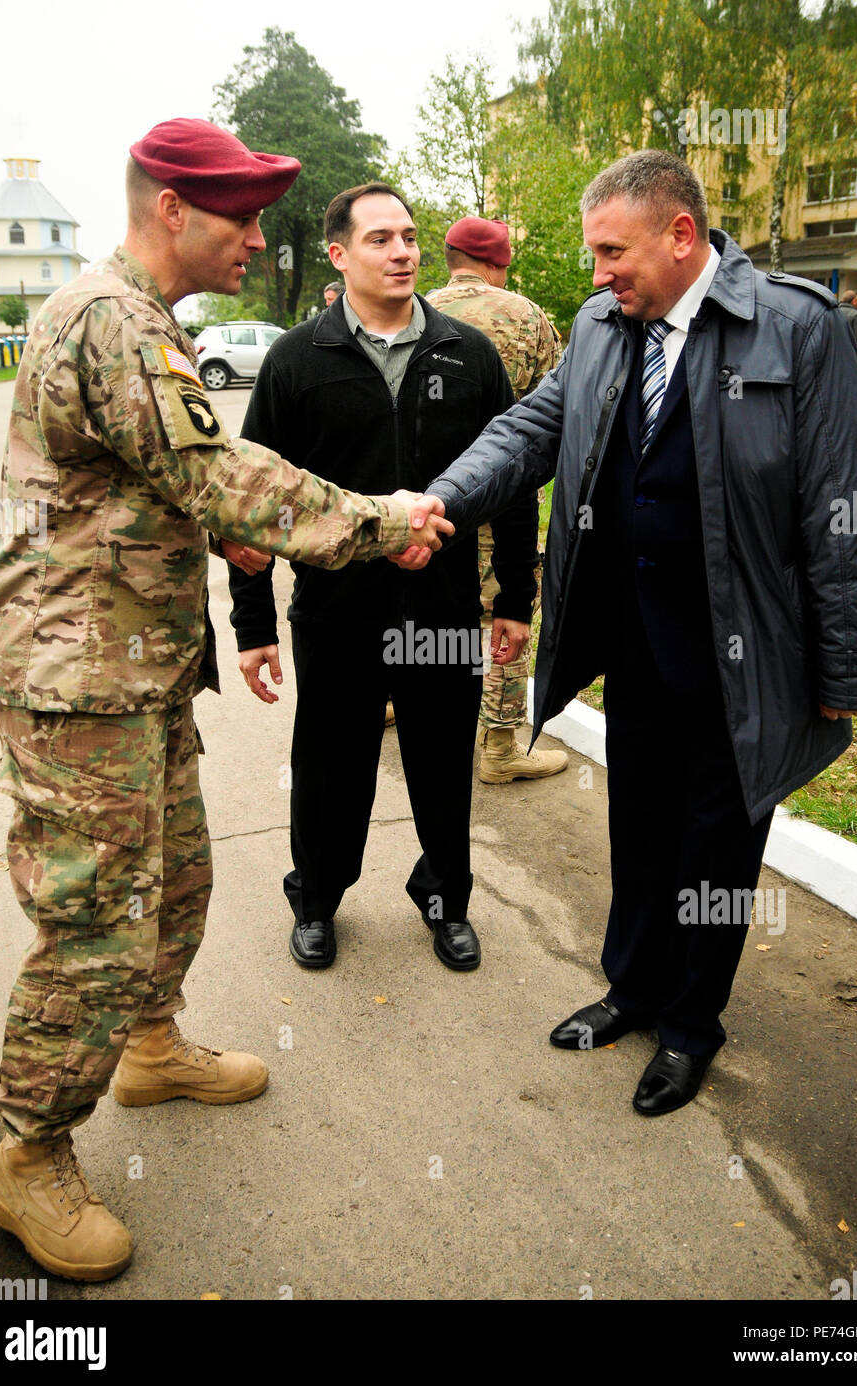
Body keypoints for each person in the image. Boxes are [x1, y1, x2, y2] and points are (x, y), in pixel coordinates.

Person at [0, 121, 451, 1283]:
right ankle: (29, 1156)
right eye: (239, 216)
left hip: (128, 670)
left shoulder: (143, 322)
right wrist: (381, 521)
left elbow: (173, 485)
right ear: (170, 211)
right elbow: (221, 475)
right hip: (76, 683)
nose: (257, 237)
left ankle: (149, 1045)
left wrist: (214, 546)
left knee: (177, 870)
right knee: (93, 917)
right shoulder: (113, 319)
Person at [412, 150, 857, 1116]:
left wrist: (845, 664)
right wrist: (442, 498)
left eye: (609, 252)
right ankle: (630, 987)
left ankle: (688, 1026)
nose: (596, 275)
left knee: (715, 847)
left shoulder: (795, 326)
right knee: (639, 825)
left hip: (739, 649)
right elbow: (528, 432)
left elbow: (842, 505)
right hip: (630, 637)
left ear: (680, 236)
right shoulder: (599, 325)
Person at [226, 183, 537, 974]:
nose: (401, 252)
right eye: (379, 240)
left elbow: (510, 476)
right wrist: (254, 626)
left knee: (439, 762)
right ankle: (319, 900)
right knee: (332, 766)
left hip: (440, 606)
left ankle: (445, 900)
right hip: (337, 609)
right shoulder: (299, 360)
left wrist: (514, 598)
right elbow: (252, 505)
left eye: (408, 237)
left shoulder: (469, 354)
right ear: (339, 254)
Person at [427, 215, 568, 785]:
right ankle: (501, 747)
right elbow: (550, 410)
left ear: (449, 256)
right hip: (501, 493)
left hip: (423, 497)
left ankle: (396, 700)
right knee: (503, 613)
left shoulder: (409, 307)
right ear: (500, 264)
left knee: (418, 597)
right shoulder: (527, 316)